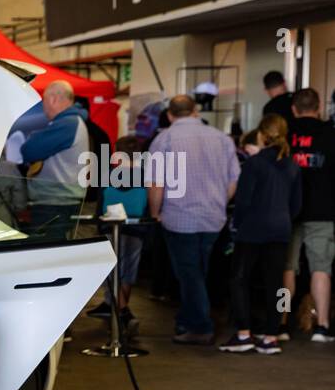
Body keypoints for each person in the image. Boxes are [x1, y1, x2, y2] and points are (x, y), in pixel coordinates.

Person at [147, 93, 240, 344]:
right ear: (196, 112)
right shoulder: (222, 139)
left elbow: (156, 183)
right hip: (214, 217)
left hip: (179, 217)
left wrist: (156, 213)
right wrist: (220, 200)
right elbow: (234, 179)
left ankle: (200, 327)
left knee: (189, 273)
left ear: (169, 115)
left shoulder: (163, 140)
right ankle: (187, 321)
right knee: (201, 271)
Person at [220, 114, 302, 355]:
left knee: (239, 280)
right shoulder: (293, 165)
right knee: (277, 284)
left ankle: (244, 333)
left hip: (253, 228)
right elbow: (296, 205)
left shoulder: (254, 164)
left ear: (262, 135)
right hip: (281, 229)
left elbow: (243, 201)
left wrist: (238, 224)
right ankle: (272, 334)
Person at [282, 87, 335, 342]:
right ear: (319, 107)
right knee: (321, 268)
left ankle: (280, 323)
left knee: (286, 267)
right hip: (323, 210)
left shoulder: (284, 133)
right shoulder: (331, 133)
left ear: (294, 109)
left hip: (286, 210)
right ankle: (322, 326)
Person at [88, 135, 149, 327]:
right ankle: (119, 307)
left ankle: (122, 311)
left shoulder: (107, 175)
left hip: (111, 227)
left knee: (113, 269)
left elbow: (100, 205)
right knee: (128, 271)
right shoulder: (145, 175)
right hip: (136, 228)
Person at [19, 81, 89, 239]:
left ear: (53, 99)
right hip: (59, 201)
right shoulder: (71, 122)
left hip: (56, 204)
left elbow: (29, 150)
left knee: (47, 254)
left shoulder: (67, 124)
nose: (43, 107)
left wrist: (33, 139)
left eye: (44, 100)